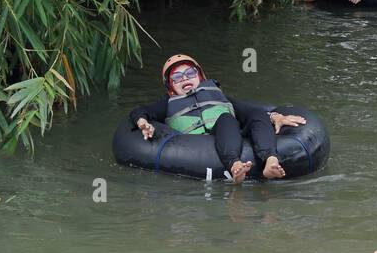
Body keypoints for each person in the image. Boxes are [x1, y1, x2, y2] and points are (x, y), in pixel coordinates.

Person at [128, 54, 306, 182]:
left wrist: (276, 117)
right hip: (196, 142)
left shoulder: (217, 96)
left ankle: (271, 161)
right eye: (177, 77)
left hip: (229, 132)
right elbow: (141, 111)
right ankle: (235, 165)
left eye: (190, 73)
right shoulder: (167, 103)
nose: (184, 79)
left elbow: (249, 111)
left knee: (245, 116)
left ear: (200, 76)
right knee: (226, 119)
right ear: (171, 86)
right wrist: (143, 122)